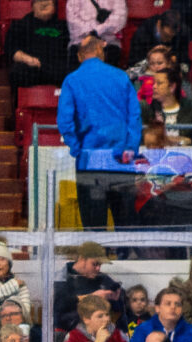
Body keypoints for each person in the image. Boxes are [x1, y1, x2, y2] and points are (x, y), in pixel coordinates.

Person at [56, 36, 140, 228]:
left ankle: (96, 257)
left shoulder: (72, 80)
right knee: (126, 222)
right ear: (101, 52)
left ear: (79, 56)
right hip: (122, 160)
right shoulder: (121, 77)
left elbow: (65, 121)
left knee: (94, 224)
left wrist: (77, 149)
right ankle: (124, 256)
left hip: (90, 160)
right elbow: (134, 118)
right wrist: (130, 148)